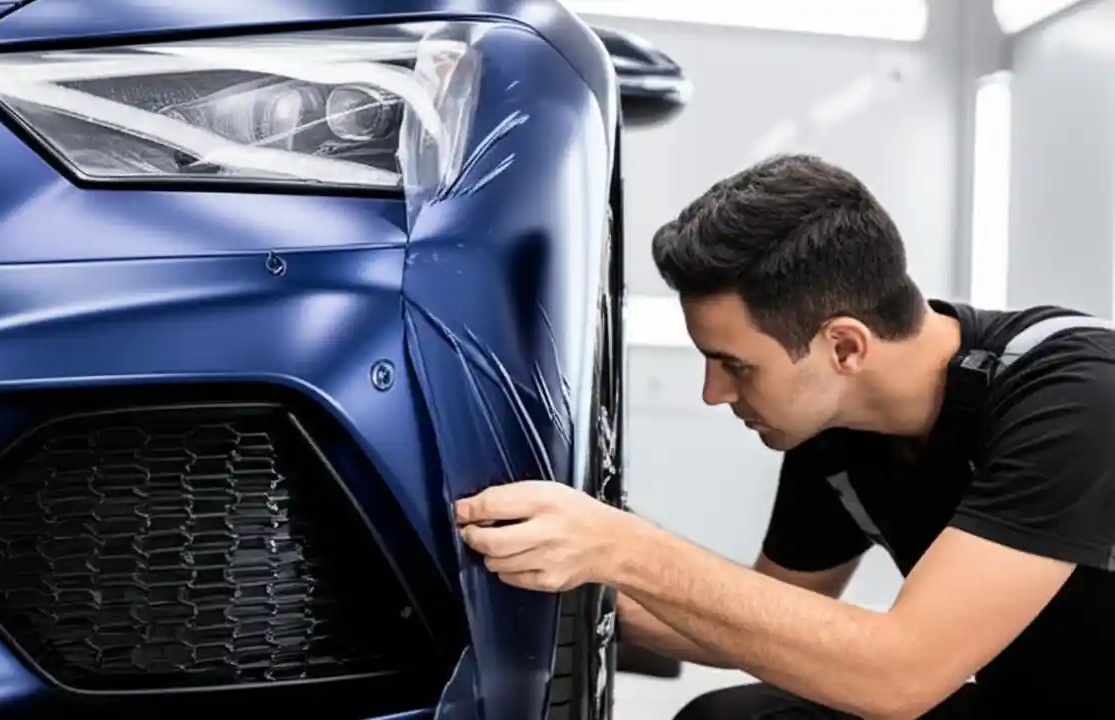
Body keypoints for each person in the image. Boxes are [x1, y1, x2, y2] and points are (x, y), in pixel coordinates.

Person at [452, 154, 1115, 718]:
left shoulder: (1078, 399)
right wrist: (555, 576)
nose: (713, 393)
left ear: (845, 346)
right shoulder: (837, 431)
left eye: (736, 365)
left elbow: (901, 674)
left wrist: (622, 547)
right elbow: (773, 619)